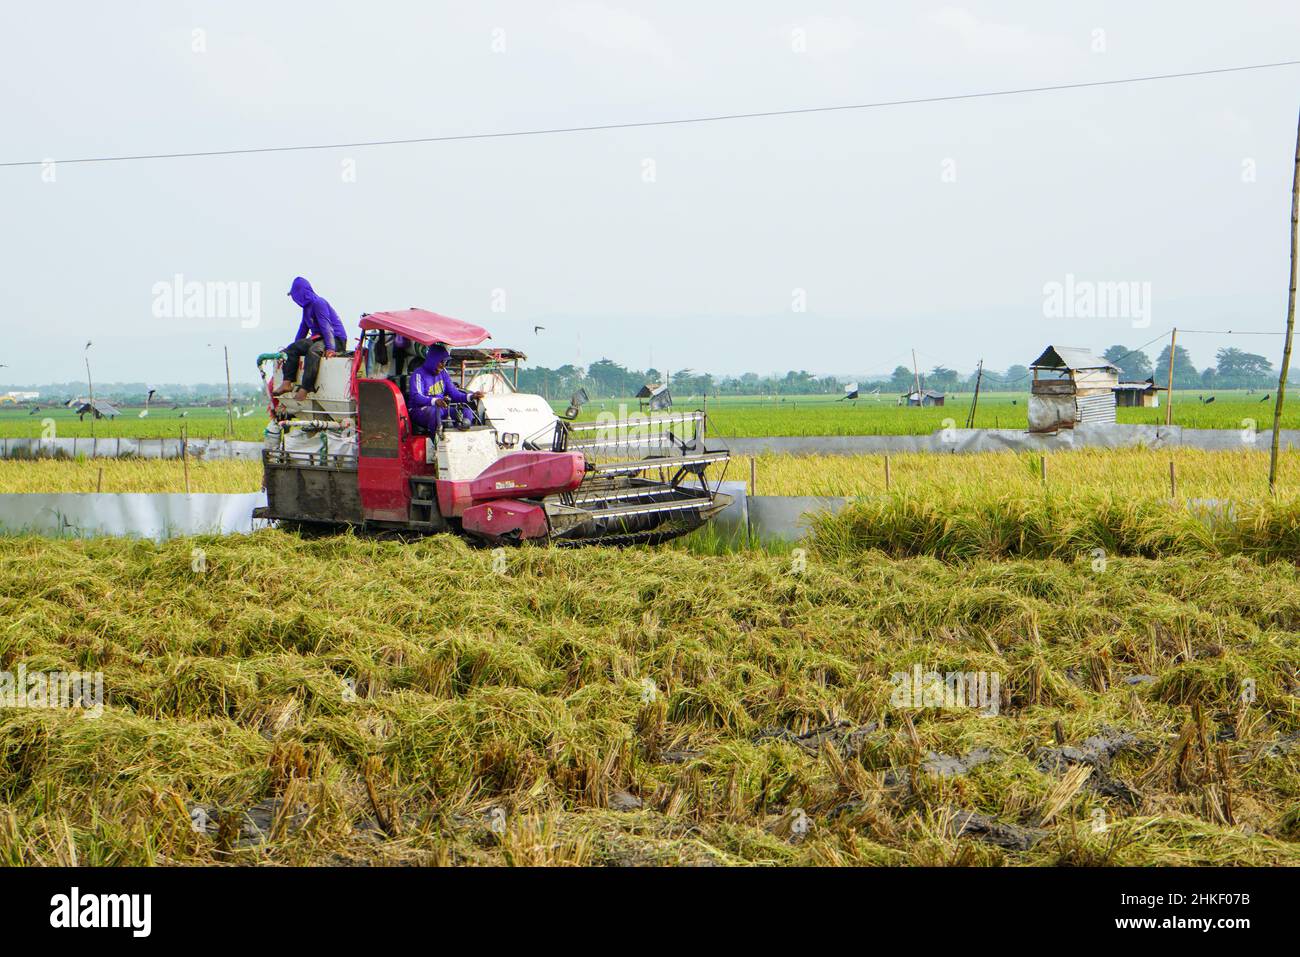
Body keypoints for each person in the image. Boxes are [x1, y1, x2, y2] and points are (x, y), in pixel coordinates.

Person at [275, 277, 348, 401]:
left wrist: (330, 348)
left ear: (302, 292)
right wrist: (293, 348)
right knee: (292, 348)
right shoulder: (306, 309)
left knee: (313, 351)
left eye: (295, 295)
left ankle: (306, 388)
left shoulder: (319, 303)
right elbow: (302, 330)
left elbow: (326, 327)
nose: (294, 299)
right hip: (319, 339)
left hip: (335, 339)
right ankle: (287, 382)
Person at [408, 344, 484, 434]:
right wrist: (435, 401)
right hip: (419, 409)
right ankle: (435, 443)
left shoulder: (443, 373)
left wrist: (471, 396)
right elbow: (416, 397)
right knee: (435, 414)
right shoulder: (418, 374)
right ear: (433, 360)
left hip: (441, 408)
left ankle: (458, 440)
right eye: (441, 362)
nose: (443, 365)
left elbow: (454, 393)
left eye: (445, 362)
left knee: (466, 412)